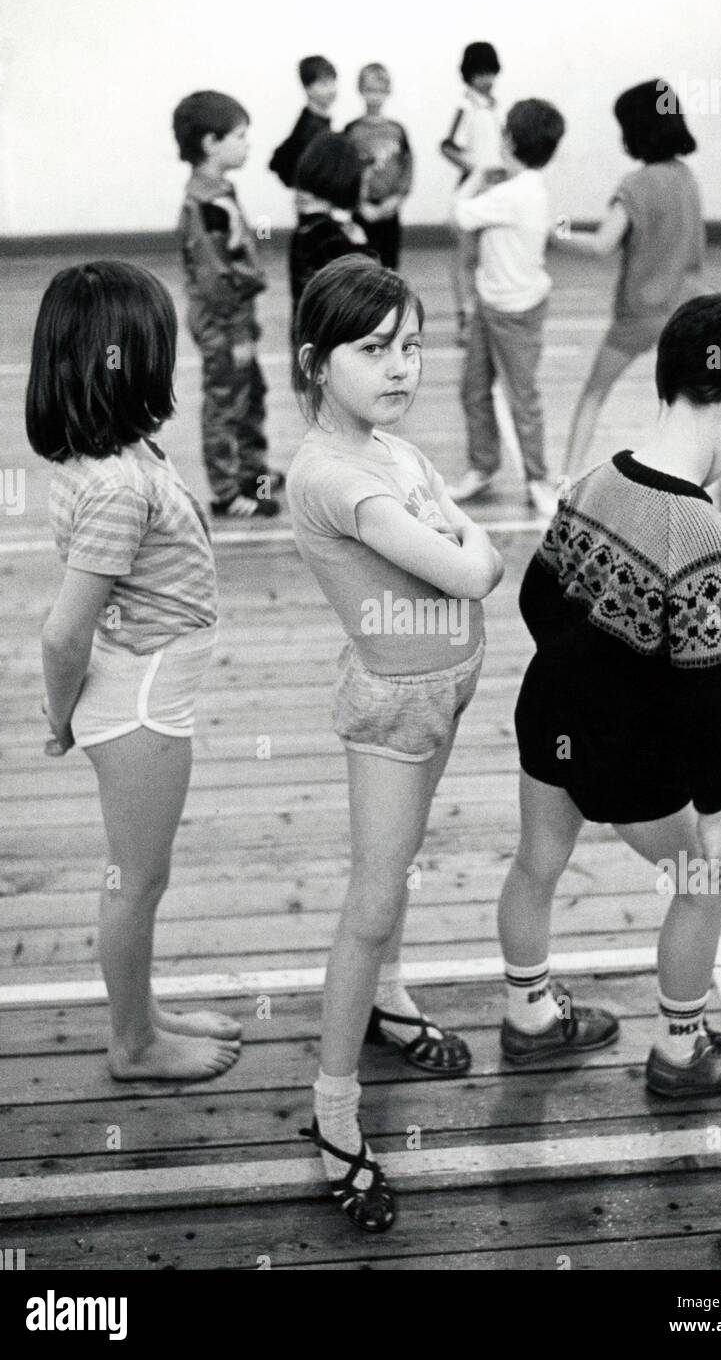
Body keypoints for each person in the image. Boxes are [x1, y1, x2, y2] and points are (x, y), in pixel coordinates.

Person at [499, 294, 721, 1096]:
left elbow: (536, 598)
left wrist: (580, 669)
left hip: (549, 718)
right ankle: (681, 1051)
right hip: (629, 754)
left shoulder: (594, 479)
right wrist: (719, 813)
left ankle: (528, 1019)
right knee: (705, 880)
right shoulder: (707, 541)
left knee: (535, 864)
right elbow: (706, 697)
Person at [286, 255, 504, 1232]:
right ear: (313, 360)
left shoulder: (397, 452)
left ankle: (390, 997)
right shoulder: (335, 473)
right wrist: (469, 552)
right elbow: (467, 569)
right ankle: (336, 1116)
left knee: (399, 871)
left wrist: (470, 551)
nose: (400, 366)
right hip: (392, 707)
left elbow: (478, 550)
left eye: (411, 345)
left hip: (444, 685)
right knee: (370, 899)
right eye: (373, 350)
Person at [27, 261, 242, 1083]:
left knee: (140, 876)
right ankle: (133, 1044)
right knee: (136, 879)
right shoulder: (119, 486)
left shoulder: (110, 457)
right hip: (141, 704)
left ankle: (143, 1011)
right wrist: (60, 716)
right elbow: (61, 632)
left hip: (141, 688)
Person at [556, 78, 721, 512]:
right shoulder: (686, 177)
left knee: (593, 394)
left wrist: (558, 234)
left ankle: (565, 483)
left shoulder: (636, 184)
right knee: (713, 397)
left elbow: (602, 244)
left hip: (639, 314)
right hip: (692, 310)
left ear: (634, 131)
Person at [447, 99, 565, 520]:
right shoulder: (526, 187)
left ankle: (537, 478)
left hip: (516, 313)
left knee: (522, 398)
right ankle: (483, 466)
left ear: (508, 139)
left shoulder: (514, 194)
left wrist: (475, 173)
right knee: (473, 390)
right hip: (490, 305)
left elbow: (459, 216)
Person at [173, 90, 282, 519]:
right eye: (239, 135)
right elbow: (215, 279)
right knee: (226, 401)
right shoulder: (203, 206)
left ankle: (253, 475)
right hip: (224, 321)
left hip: (239, 315)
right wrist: (237, 333)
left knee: (252, 394)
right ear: (210, 143)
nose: (247, 143)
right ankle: (226, 490)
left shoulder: (221, 191)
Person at [440, 41, 504, 345]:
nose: (485, 78)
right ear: (468, 74)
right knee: (466, 258)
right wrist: (476, 170)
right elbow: (448, 145)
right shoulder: (467, 106)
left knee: (490, 258)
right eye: (479, 72)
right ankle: (465, 319)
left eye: (489, 71)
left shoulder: (495, 107)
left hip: (496, 194)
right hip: (471, 194)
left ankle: (483, 320)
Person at [288, 132, 371, 332]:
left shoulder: (312, 226)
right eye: (363, 180)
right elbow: (360, 287)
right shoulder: (327, 234)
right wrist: (361, 246)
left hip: (312, 333)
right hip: (329, 337)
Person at [344, 63, 413, 269]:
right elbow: (345, 171)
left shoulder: (397, 130)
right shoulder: (352, 130)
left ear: (388, 92)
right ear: (360, 90)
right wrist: (359, 204)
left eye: (380, 91)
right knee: (362, 266)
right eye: (369, 90)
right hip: (361, 210)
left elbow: (407, 167)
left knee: (389, 266)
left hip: (389, 209)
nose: (374, 96)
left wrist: (396, 199)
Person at [269, 55, 337, 214]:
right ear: (308, 88)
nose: (332, 89)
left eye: (333, 82)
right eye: (323, 84)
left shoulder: (319, 121)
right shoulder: (309, 127)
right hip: (314, 206)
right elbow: (280, 163)